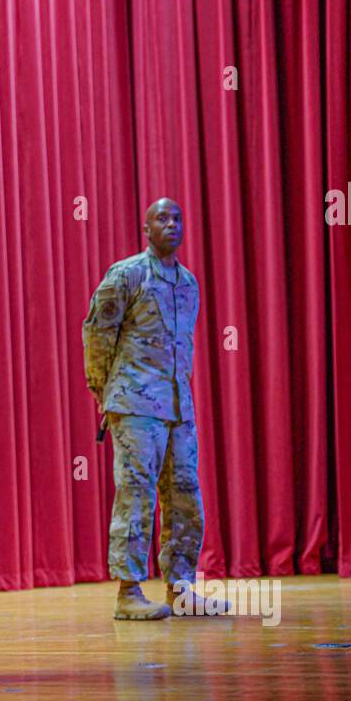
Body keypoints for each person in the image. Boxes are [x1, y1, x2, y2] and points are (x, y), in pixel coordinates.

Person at [82, 197, 226, 620]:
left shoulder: (188, 284)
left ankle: (181, 587)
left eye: (178, 217)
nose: (172, 224)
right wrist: (103, 392)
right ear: (146, 229)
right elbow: (97, 334)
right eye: (162, 218)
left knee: (185, 496)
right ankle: (129, 592)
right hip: (134, 403)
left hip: (178, 405)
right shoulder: (127, 276)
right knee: (136, 496)